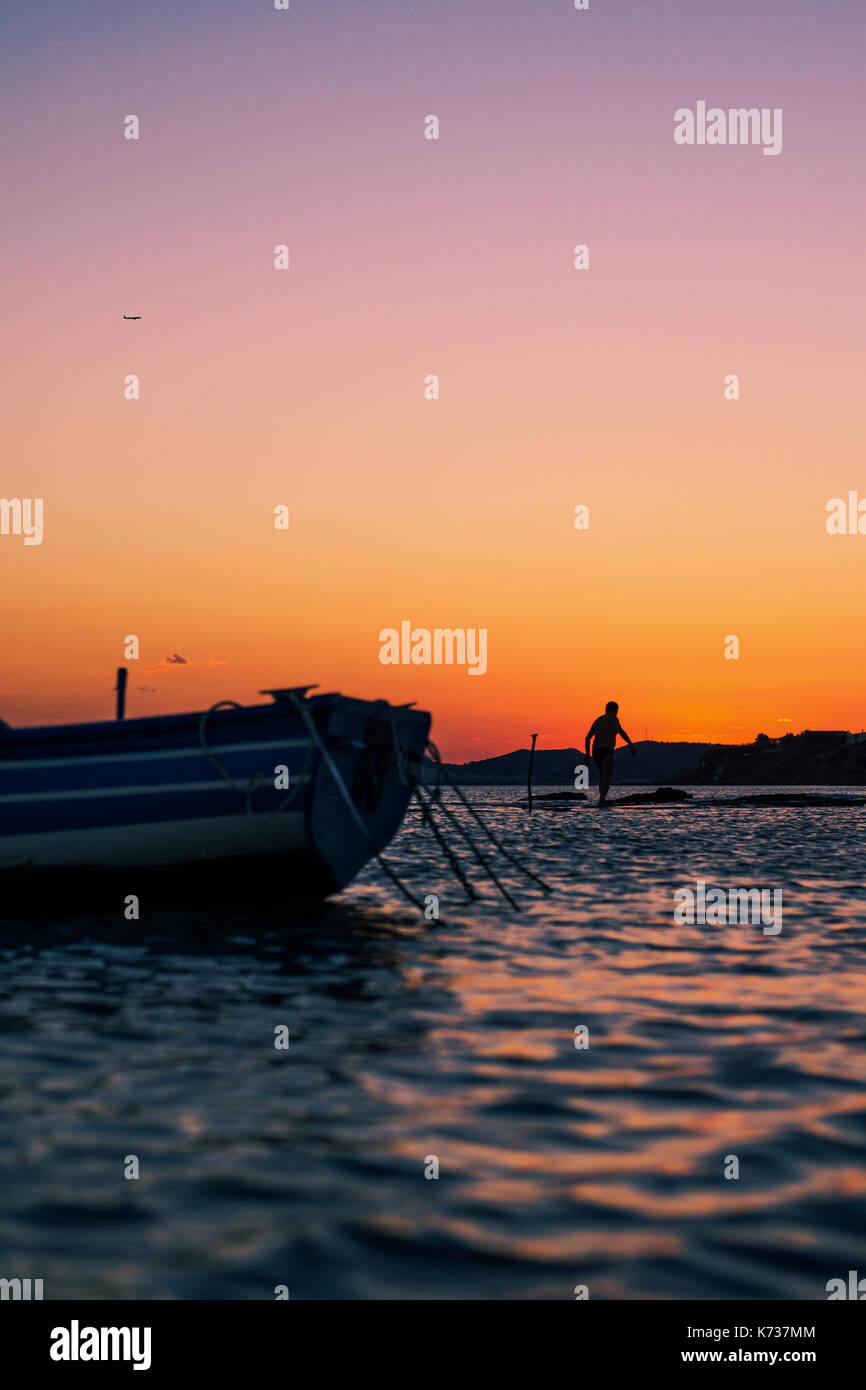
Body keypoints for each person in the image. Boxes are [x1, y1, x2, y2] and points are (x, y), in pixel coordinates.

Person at [584, 701, 636, 807]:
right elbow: (621, 731)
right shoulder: (613, 718)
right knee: (607, 776)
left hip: (596, 751)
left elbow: (587, 738)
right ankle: (601, 800)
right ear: (616, 710)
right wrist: (631, 744)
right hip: (607, 750)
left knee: (602, 776)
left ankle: (601, 799)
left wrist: (587, 754)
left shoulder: (598, 720)